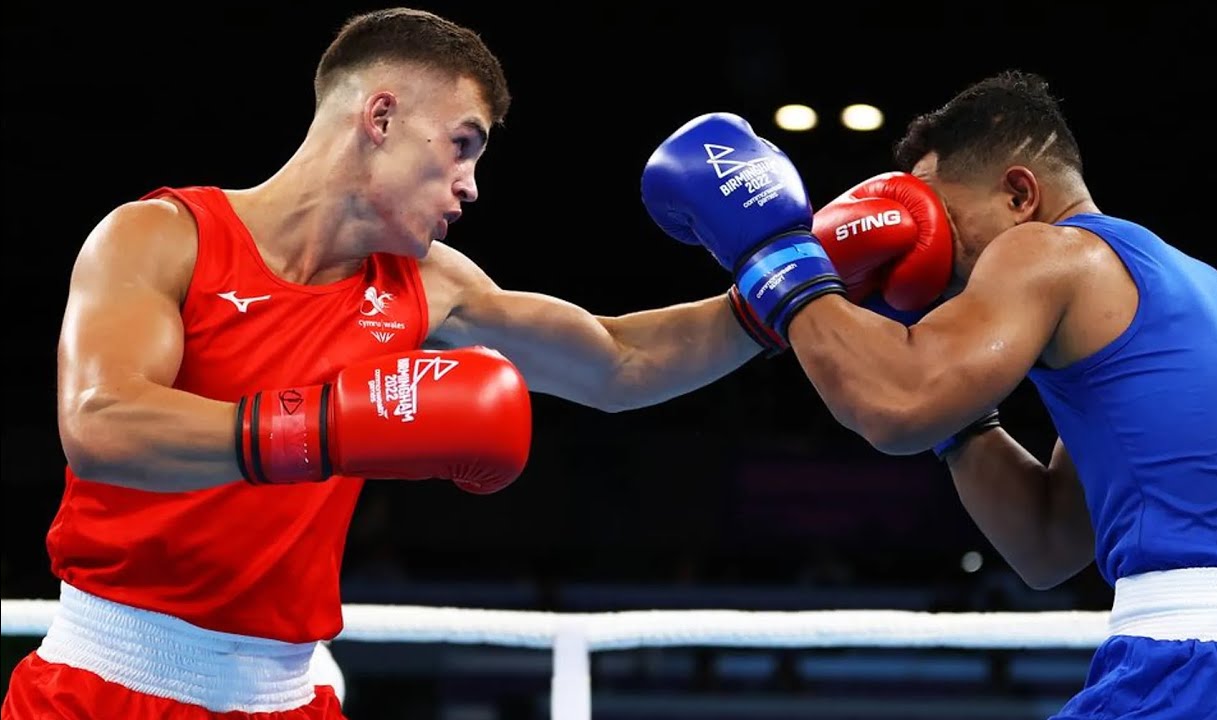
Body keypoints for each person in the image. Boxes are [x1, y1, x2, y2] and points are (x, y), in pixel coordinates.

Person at [0, 6, 857, 718]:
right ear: (380, 118)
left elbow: (617, 361)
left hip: (286, 698)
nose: (472, 185)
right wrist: (328, 428)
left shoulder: (426, 288)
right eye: (463, 144)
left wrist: (783, 285)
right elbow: (102, 424)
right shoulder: (161, 237)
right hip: (102, 683)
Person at [641, 71, 1217, 718]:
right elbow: (1049, 541)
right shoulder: (1186, 289)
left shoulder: (1046, 248)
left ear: (1019, 194)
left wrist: (775, 254)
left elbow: (897, 407)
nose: (938, 257)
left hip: (1196, 664)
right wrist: (946, 389)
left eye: (944, 221)